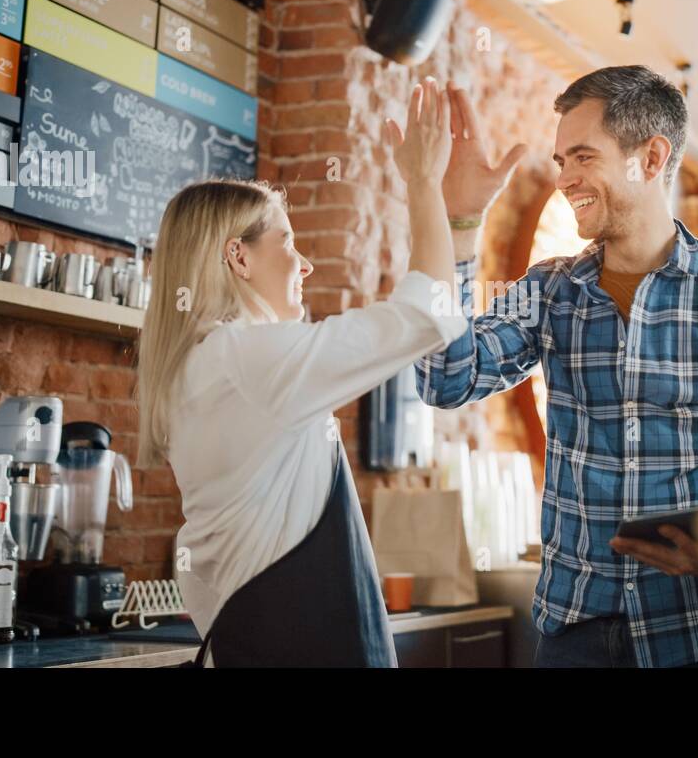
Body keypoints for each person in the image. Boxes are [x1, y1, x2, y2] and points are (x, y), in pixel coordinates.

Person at [416, 66, 698, 668]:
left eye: (582, 158)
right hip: (571, 639)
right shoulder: (549, 291)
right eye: (560, 162)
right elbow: (445, 378)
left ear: (651, 157)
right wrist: (457, 222)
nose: (565, 180)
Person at [137, 78, 466, 666]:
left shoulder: (209, 365)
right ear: (238, 256)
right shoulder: (244, 360)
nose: (306, 262)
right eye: (288, 241)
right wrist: (425, 184)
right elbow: (426, 313)